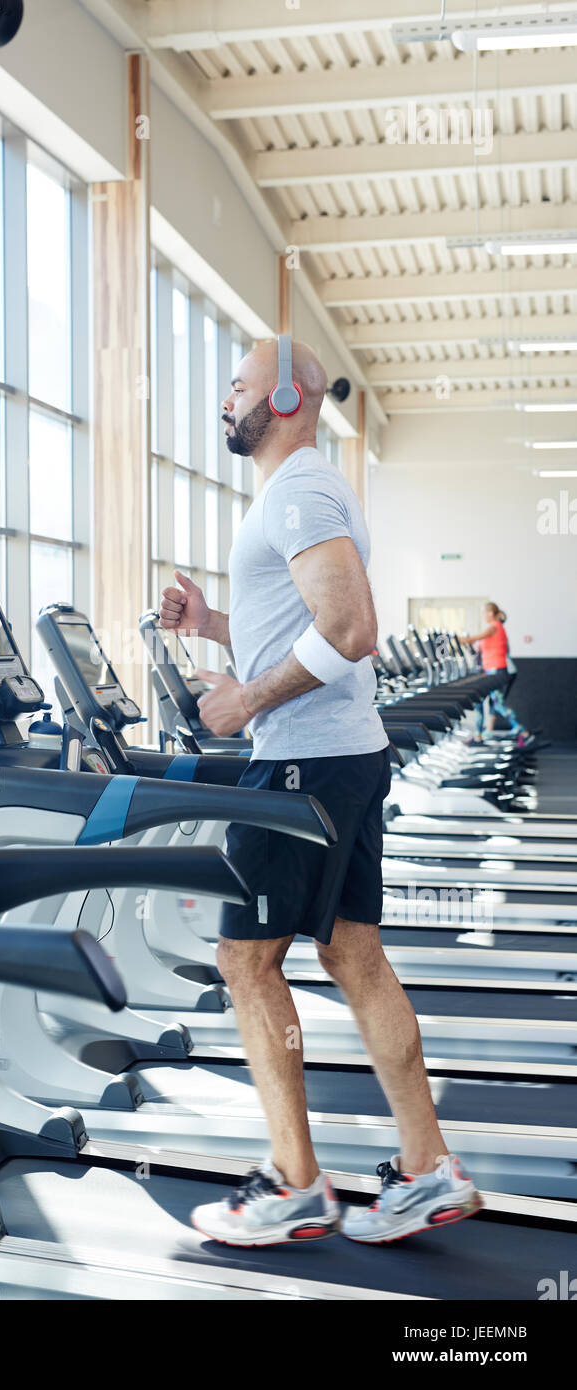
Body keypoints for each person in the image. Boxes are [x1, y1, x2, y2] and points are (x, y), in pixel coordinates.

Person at [159, 338, 481, 1246]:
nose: (225, 399)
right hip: (340, 754)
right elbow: (301, 625)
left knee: (246, 964)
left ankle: (298, 1184)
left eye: (239, 385)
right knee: (354, 956)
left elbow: (350, 627)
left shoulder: (297, 490)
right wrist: (215, 626)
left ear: (290, 395)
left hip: (303, 762)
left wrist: (246, 702)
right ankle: (427, 1169)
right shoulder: (298, 493)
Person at [464, 602, 530, 747]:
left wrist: (457, 639)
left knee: (496, 703)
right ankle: (480, 735)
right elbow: (476, 648)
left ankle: (521, 730)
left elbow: (473, 638)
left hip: (497, 671)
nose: (483, 616)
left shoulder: (495, 627)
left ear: (490, 613)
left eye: (484, 613)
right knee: (484, 701)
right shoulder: (492, 630)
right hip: (489, 671)